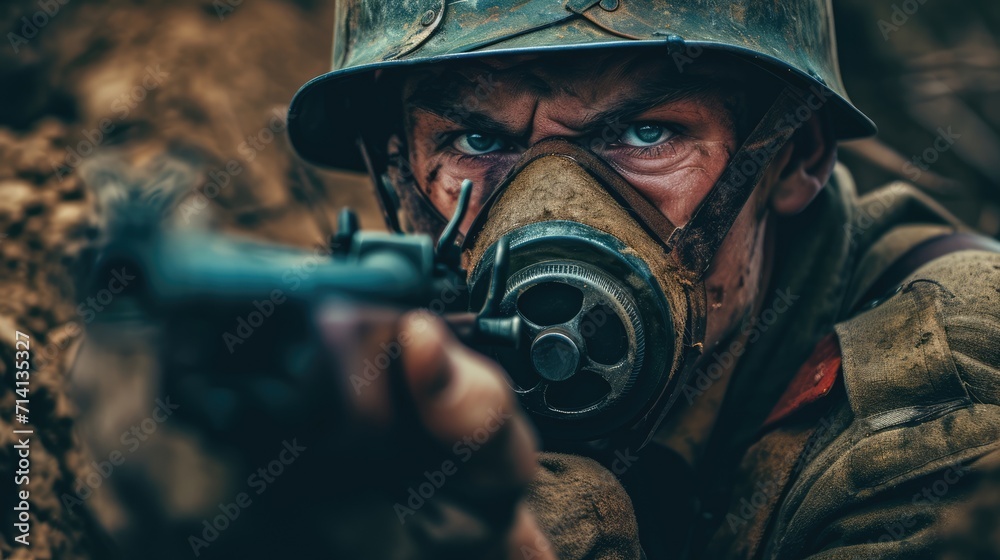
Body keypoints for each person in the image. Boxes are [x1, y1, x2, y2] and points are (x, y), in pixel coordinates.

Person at [286, 1, 1000, 558]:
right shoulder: (375, 373)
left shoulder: (951, 383)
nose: (555, 212)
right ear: (401, 178)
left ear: (795, 154)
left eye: (646, 134)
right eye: (478, 140)